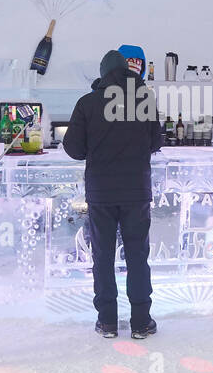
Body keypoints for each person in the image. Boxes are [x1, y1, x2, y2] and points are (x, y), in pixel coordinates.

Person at [63, 49, 164, 339]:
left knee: (103, 257)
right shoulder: (143, 100)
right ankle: (141, 322)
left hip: (101, 192)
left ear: (102, 73)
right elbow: (156, 141)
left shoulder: (87, 103)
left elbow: (73, 148)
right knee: (137, 256)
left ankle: (107, 321)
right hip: (136, 190)